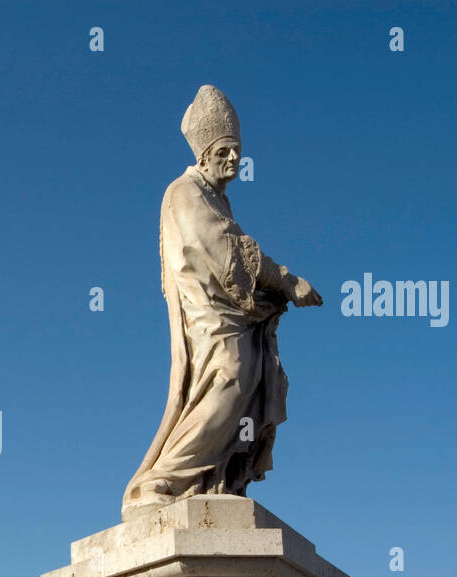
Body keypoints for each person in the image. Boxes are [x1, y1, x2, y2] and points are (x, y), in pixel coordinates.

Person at [123, 85, 323, 514]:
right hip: (208, 318)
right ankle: (164, 480)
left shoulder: (219, 199)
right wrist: (285, 281)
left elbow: (231, 246)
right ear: (205, 152)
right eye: (225, 150)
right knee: (229, 377)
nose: (234, 159)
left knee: (247, 381)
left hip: (230, 314)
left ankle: (214, 476)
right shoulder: (184, 192)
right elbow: (224, 248)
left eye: (237, 152)